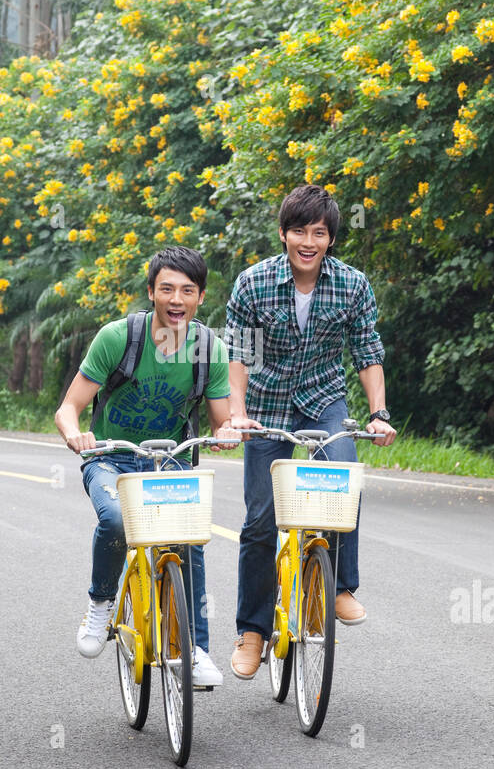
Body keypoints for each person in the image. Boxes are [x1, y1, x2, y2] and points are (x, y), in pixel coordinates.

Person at [224, 184, 397, 680]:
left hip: (323, 401)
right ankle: (252, 631)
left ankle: (341, 586)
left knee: (344, 475)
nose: (308, 241)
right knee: (261, 519)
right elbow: (238, 356)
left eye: (318, 233)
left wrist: (379, 412)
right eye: (299, 230)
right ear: (283, 233)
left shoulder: (352, 285)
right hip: (266, 408)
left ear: (330, 239)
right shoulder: (253, 284)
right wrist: (236, 413)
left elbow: (368, 353)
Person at [55, 246, 235, 686]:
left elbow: (221, 419)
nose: (177, 299)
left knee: (188, 536)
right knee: (116, 519)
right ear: (151, 292)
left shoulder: (209, 349)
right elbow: (68, 408)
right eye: (167, 289)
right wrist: (76, 434)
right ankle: (100, 604)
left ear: (200, 297)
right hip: (110, 459)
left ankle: (195, 650)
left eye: (187, 291)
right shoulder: (119, 338)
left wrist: (228, 432)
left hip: (168, 462)